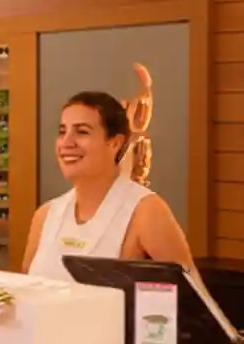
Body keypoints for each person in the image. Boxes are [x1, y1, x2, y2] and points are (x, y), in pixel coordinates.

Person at [23, 90, 196, 282]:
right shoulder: (45, 215)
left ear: (115, 142)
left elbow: (193, 296)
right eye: (62, 131)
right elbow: (23, 291)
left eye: (81, 132)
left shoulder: (145, 211)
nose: (66, 142)